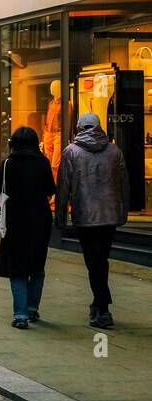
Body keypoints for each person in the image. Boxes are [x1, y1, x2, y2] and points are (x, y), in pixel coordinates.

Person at [57, 112, 129, 329]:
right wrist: (123, 212)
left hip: (85, 215)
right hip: (108, 216)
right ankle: (99, 305)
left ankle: (102, 307)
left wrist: (60, 218)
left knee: (93, 262)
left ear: (79, 127)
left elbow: (63, 188)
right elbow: (124, 185)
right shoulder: (114, 151)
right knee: (101, 260)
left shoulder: (71, 152)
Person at [0, 126, 56, 329]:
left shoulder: (7, 164)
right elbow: (50, 190)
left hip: (14, 219)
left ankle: (20, 314)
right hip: (40, 219)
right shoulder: (43, 162)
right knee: (37, 266)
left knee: (17, 268)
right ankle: (32, 308)